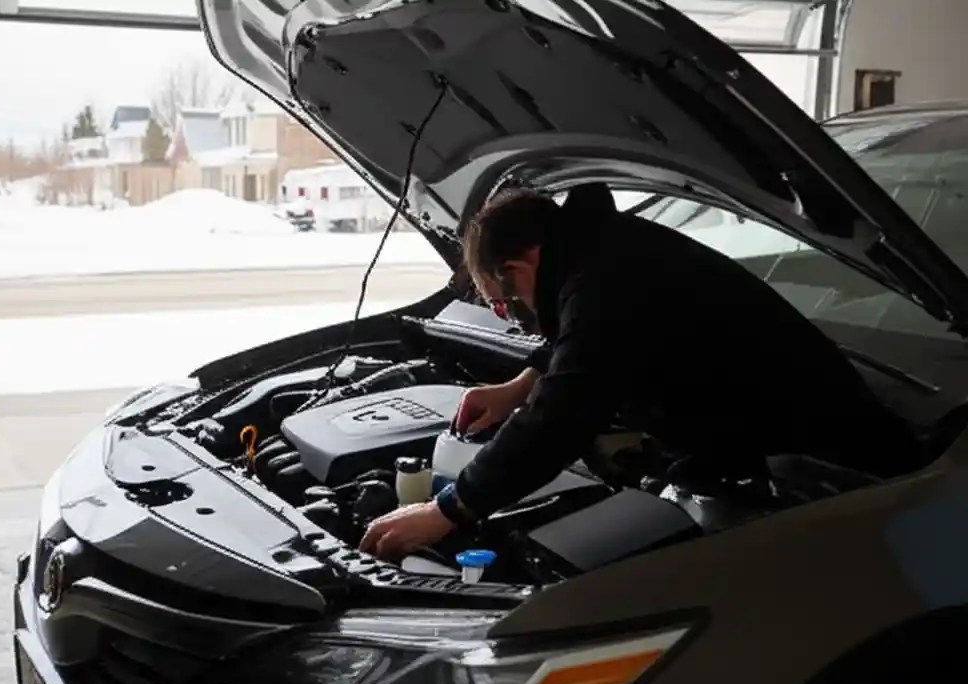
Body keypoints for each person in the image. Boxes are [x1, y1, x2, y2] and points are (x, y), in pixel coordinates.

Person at [359, 184, 925, 562]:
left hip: (847, 470)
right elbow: (586, 341)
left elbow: (566, 412)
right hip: (768, 435)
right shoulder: (599, 250)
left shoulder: (607, 279)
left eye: (502, 304)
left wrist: (449, 509)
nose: (512, 318)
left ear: (520, 266)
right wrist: (520, 383)